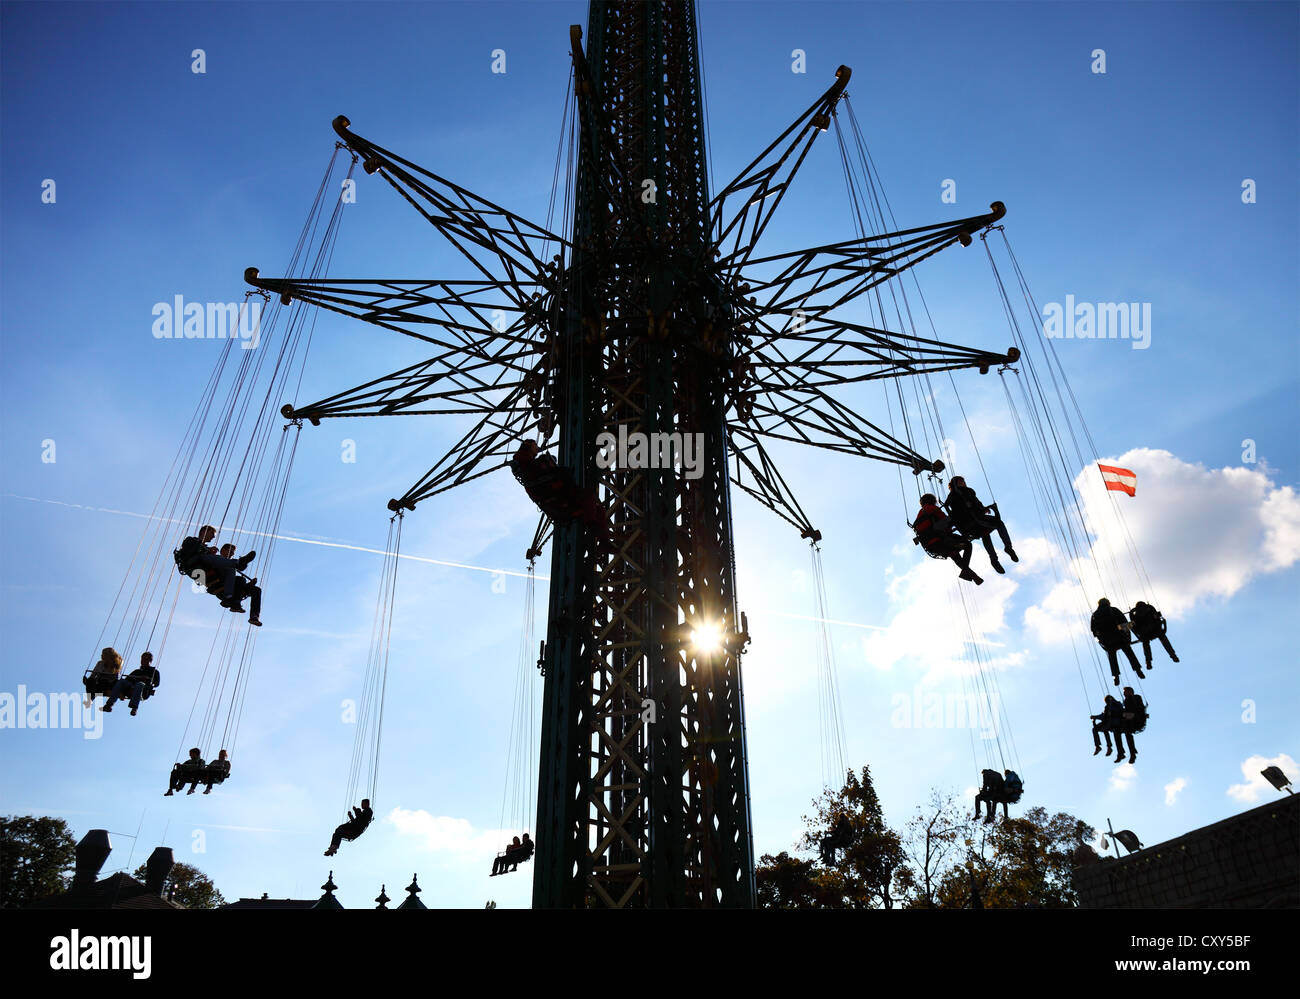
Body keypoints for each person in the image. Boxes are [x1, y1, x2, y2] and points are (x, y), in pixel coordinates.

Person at [509, 441, 612, 549]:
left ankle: (602, 538)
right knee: (589, 499)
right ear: (529, 447)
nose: (537, 448)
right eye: (535, 446)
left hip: (558, 504)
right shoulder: (526, 463)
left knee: (596, 507)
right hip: (560, 500)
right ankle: (596, 530)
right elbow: (538, 476)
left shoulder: (525, 464)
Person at [945, 476, 1018, 574]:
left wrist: (982, 509)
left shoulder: (950, 498)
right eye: (960, 481)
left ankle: (994, 559)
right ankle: (1008, 547)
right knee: (999, 523)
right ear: (955, 483)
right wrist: (984, 509)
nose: (963, 482)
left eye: (963, 481)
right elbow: (975, 504)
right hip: (976, 519)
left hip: (967, 526)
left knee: (985, 534)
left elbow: (955, 510)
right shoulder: (966, 492)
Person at [177, 525, 255, 610]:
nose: (213, 537)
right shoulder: (191, 540)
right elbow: (192, 551)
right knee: (211, 558)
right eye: (212, 534)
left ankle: (228, 597)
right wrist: (208, 551)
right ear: (204, 531)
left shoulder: (205, 549)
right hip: (193, 564)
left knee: (230, 569)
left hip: (203, 567)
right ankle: (238, 562)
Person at [913, 494, 983, 585]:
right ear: (932, 501)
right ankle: (966, 573)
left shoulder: (919, 515)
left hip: (932, 546)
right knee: (967, 544)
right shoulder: (933, 508)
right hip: (942, 539)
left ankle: (973, 576)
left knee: (954, 555)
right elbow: (946, 521)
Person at [206, 543, 263, 626]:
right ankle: (235, 602)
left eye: (233, 552)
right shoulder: (216, 559)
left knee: (256, 590)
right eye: (230, 551)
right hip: (219, 585)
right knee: (240, 578)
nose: (232, 553)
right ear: (223, 550)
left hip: (232, 588)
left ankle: (254, 616)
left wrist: (249, 585)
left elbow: (236, 585)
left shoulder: (230, 565)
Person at [1090, 598, 1144, 684]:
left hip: (1107, 640)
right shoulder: (1114, 610)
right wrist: (1128, 636)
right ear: (1108, 603)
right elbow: (1125, 622)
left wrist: (1101, 642)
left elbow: (1094, 631)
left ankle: (1115, 676)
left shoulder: (1095, 614)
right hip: (1120, 636)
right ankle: (1138, 670)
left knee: (1112, 658)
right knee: (1129, 653)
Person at [1128, 601, 1178, 669]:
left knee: (1145, 643)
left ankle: (1148, 661)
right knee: (1163, 638)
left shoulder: (1134, 615)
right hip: (1156, 630)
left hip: (1144, 634)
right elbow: (1158, 618)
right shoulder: (1150, 609)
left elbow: (1131, 626)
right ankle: (1173, 655)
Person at [1114, 687, 1147, 764]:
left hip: (1137, 718)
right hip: (1129, 719)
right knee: (1117, 731)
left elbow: (1138, 708)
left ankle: (1132, 753)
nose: (1124, 693)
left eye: (1125, 692)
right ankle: (1121, 752)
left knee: (1127, 731)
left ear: (1130, 691)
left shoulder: (1136, 697)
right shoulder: (1126, 700)